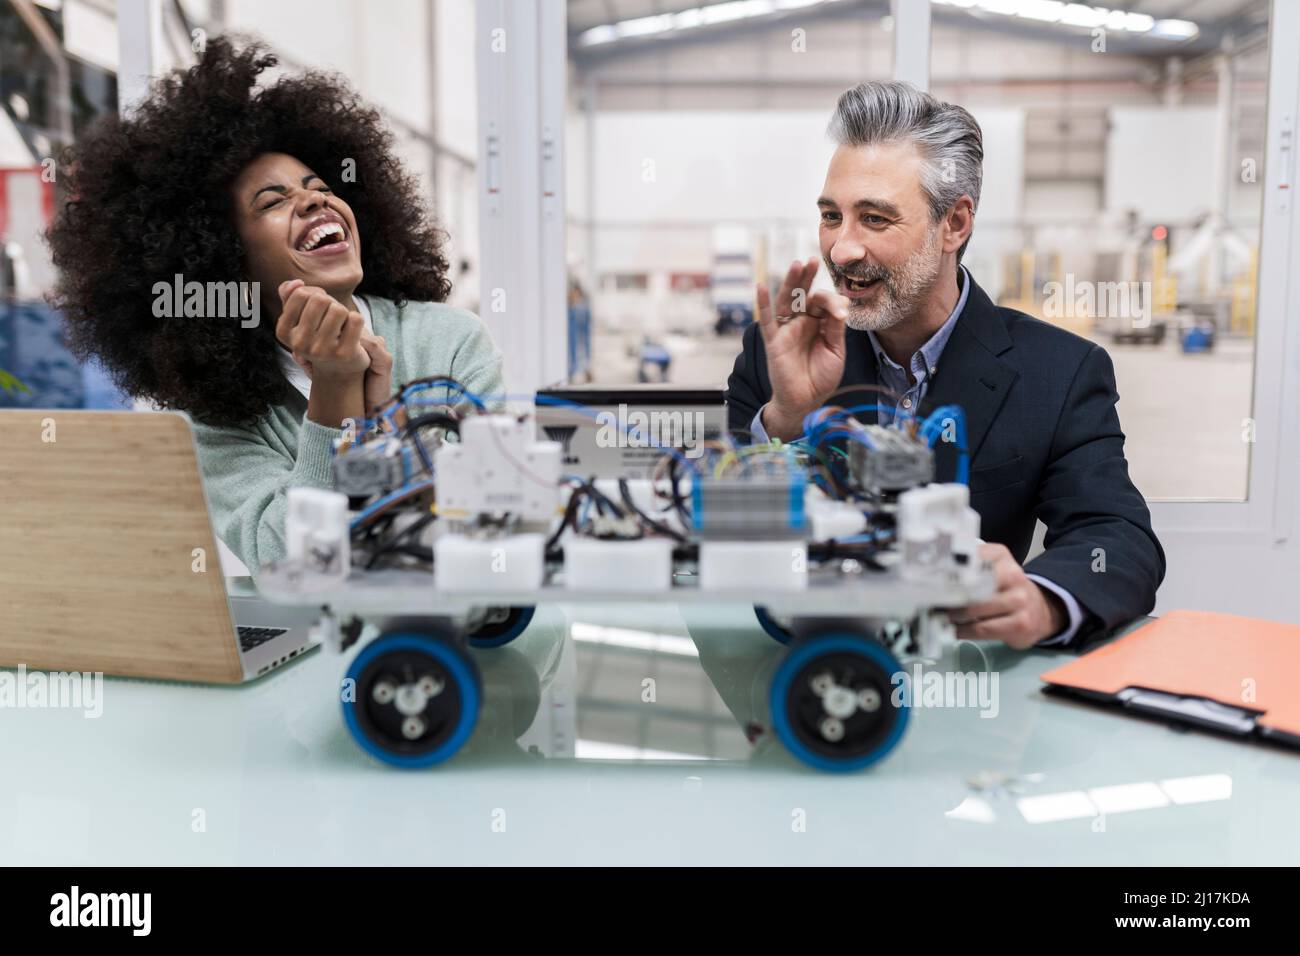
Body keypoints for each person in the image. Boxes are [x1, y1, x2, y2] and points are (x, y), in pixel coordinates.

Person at [726, 81, 1164, 648]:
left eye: (874, 219)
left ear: (954, 224)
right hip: (808, 666)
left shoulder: (1059, 372)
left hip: (967, 672)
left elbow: (1116, 535)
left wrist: (1043, 602)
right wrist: (786, 420)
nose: (841, 249)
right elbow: (715, 535)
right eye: (832, 216)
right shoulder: (777, 355)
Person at [47, 38, 503, 575]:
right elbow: (294, 564)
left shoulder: (449, 342)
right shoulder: (218, 416)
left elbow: (500, 514)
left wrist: (384, 429)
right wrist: (335, 390)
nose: (315, 200)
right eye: (273, 201)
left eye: (320, 187)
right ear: (220, 255)